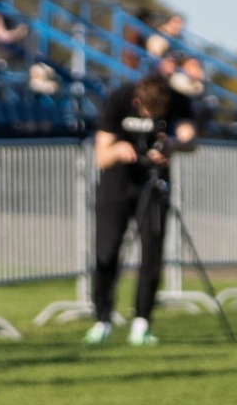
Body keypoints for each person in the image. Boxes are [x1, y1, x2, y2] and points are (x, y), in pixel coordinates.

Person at [84, 73, 197, 348]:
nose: (151, 116)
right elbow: (101, 155)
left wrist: (174, 145)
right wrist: (120, 149)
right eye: (148, 111)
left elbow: (190, 138)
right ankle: (102, 320)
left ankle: (142, 322)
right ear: (137, 101)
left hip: (154, 185)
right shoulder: (118, 100)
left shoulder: (176, 101)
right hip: (117, 186)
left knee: (152, 253)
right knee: (106, 252)